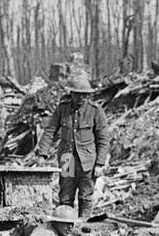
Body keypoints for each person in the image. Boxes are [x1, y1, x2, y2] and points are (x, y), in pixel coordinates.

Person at [38, 70, 111, 218]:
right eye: (78, 94)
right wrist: (42, 154)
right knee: (65, 197)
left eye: (85, 95)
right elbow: (50, 131)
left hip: (88, 162)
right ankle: (65, 228)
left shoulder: (95, 111)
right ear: (71, 93)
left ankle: (82, 228)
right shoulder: (62, 109)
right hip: (67, 159)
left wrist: (100, 164)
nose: (81, 98)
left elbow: (103, 139)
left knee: (86, 197)